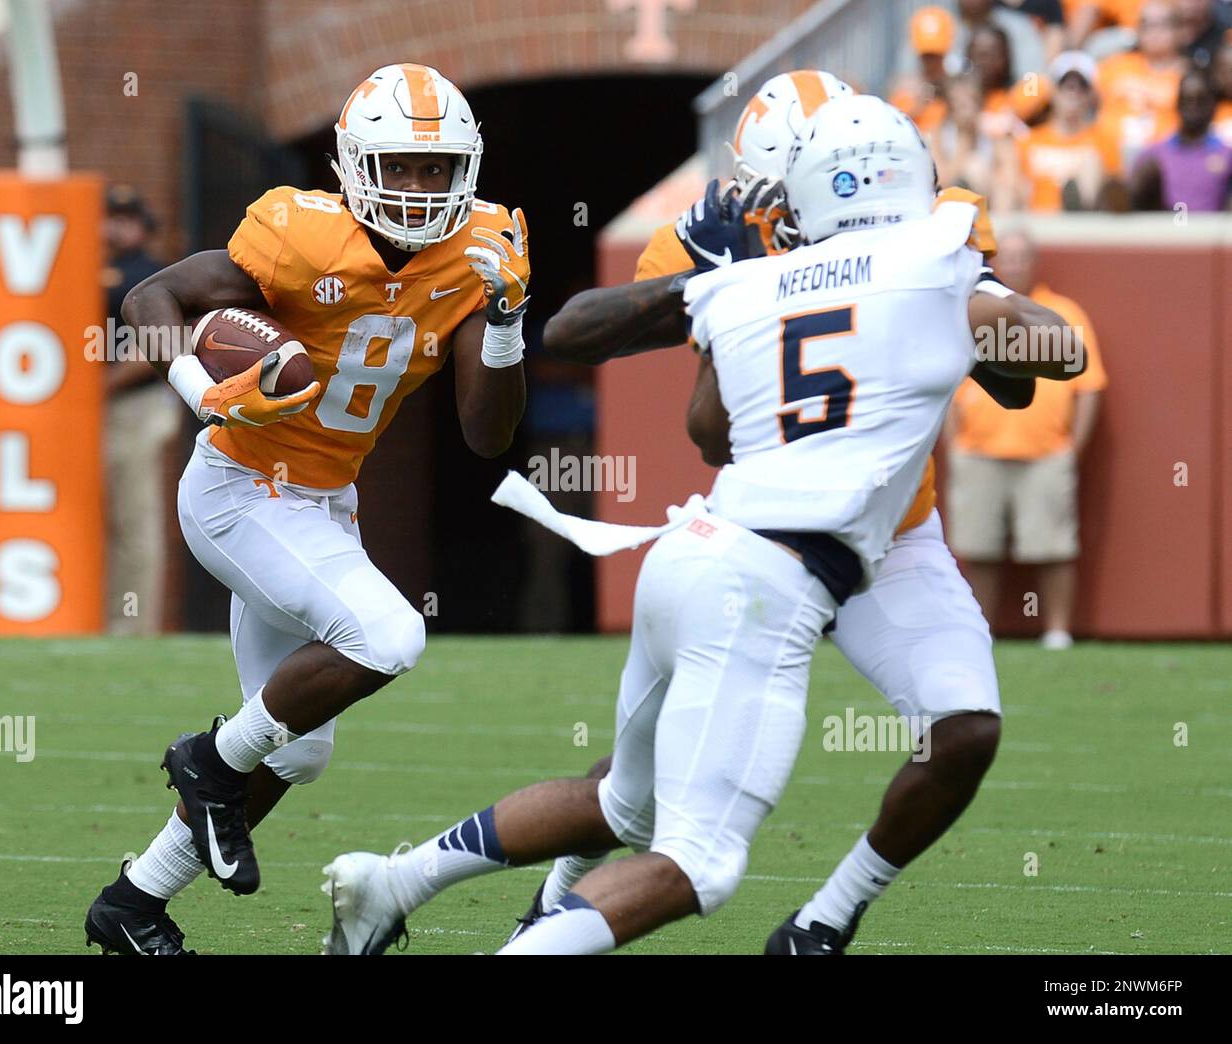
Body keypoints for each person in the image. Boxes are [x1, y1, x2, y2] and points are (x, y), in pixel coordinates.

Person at [318, 95, 1078, 957]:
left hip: (870, 535)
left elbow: (1018, 375)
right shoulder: (734, 246)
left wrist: (931, 300)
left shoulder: (920, 239)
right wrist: (730, 286)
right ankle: (534, 914)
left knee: (957, 724)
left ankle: (818, 921)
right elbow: (706, 426)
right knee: (686, 852)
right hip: (773, 554)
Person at [82, 63, 529, 955]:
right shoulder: (299, 235)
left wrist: (509, 318)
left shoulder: (483, 252)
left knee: (296, 750)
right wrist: (196, 387)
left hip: (324, 501)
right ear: (354, 164)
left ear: (464, 171)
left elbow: (486, 433)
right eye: (397, 166)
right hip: (240, 488)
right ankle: (207, 761)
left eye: (433, 168)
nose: (415, 186)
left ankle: (134, 903)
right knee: (391, 636)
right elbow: (149, 297)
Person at [946, 230, 1106, 650]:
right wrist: (952, 442)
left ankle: (1057, 630)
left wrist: (1073, 445)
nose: (1014, 264)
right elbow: (944, 384)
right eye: (1008, 257)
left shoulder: (1062, 310)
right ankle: (980, 629)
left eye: (1022, 257)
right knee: (978, 547)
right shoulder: (967, 308)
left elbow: (1087, 381)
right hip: (979, 447)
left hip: (1045, 449)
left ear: (1035, 262)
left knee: (1051, 546)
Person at [101, 185, 183, 636]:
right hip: (101, 412)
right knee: (109, 518)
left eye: (126, 218)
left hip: (134, 408)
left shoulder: (146, 275)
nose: (116, 226)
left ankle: (131, 624)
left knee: (135, 517)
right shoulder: (99, 270)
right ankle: (102, 616)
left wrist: (100, 386)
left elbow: (153, 345)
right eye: (111, 216)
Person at [1018, 50, 1121, 209]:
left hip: (1083, 227)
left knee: (1091, 162)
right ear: (1053, 92)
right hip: (1037, 220)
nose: (1073, 92)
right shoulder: (1029, 140)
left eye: (1082, 86)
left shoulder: (1105, 141)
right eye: (1065, 85)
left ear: (1091, 95)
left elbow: (1114, 195)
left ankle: (1079, 211)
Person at [1096, 0, 1188, 169]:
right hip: (1111, 164)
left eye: (1162, 25)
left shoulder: (1189, 75)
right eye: (1147, 25)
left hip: (1166, 166)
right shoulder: (1113, 65)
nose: (1154, 32)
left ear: (1179, 30)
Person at [1131, 67, 1232, 208]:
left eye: (1200, 101)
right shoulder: (1154, 156)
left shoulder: (1227, 155)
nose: (1193, 107)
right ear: (1177, 104)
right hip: (1165, 227)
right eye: (1187, 100)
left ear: (1213, 105)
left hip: (1210, 227)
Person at [930, 72, 1023, 209]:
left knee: (1002, 188)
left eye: (971, 101)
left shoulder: (993, 129)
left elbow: (1012, 176)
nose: (966, 109)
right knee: (972, 169)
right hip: (950, 201)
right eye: (959, 103)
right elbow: (942, 181)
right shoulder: (939, 133)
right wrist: (965, 138)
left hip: (989, 199)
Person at [890, 6, 959, 135]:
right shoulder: (904, 90)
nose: (931, 61)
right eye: (926, 56)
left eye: (936, 55)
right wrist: (917, 106)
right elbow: (893, 129)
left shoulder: (958, 87)